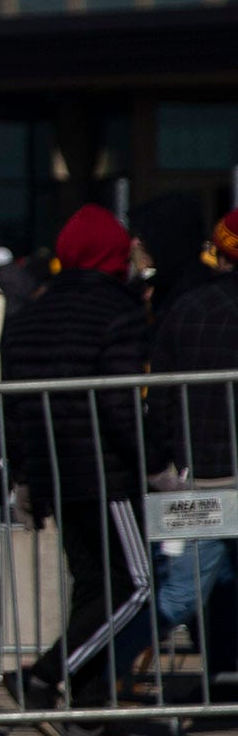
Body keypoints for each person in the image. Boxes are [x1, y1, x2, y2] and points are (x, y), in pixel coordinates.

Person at [0, 204, 157, 736]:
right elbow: (121, 403)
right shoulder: (118, 310)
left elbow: (13, 411)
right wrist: (155, 461)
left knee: (93, 587)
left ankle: (89, 716)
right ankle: (43, 674)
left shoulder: (28, 316)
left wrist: (23, 478)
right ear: (115, 257)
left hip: (54, 474)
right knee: (136, 586)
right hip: (106, 472)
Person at [147, 207, 238, 690]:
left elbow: (159, 396)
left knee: (185, 592)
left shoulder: (188, 308)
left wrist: (159, 460)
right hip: (209, 474)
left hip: (200, 477)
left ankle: (95, 664)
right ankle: (225, 676)